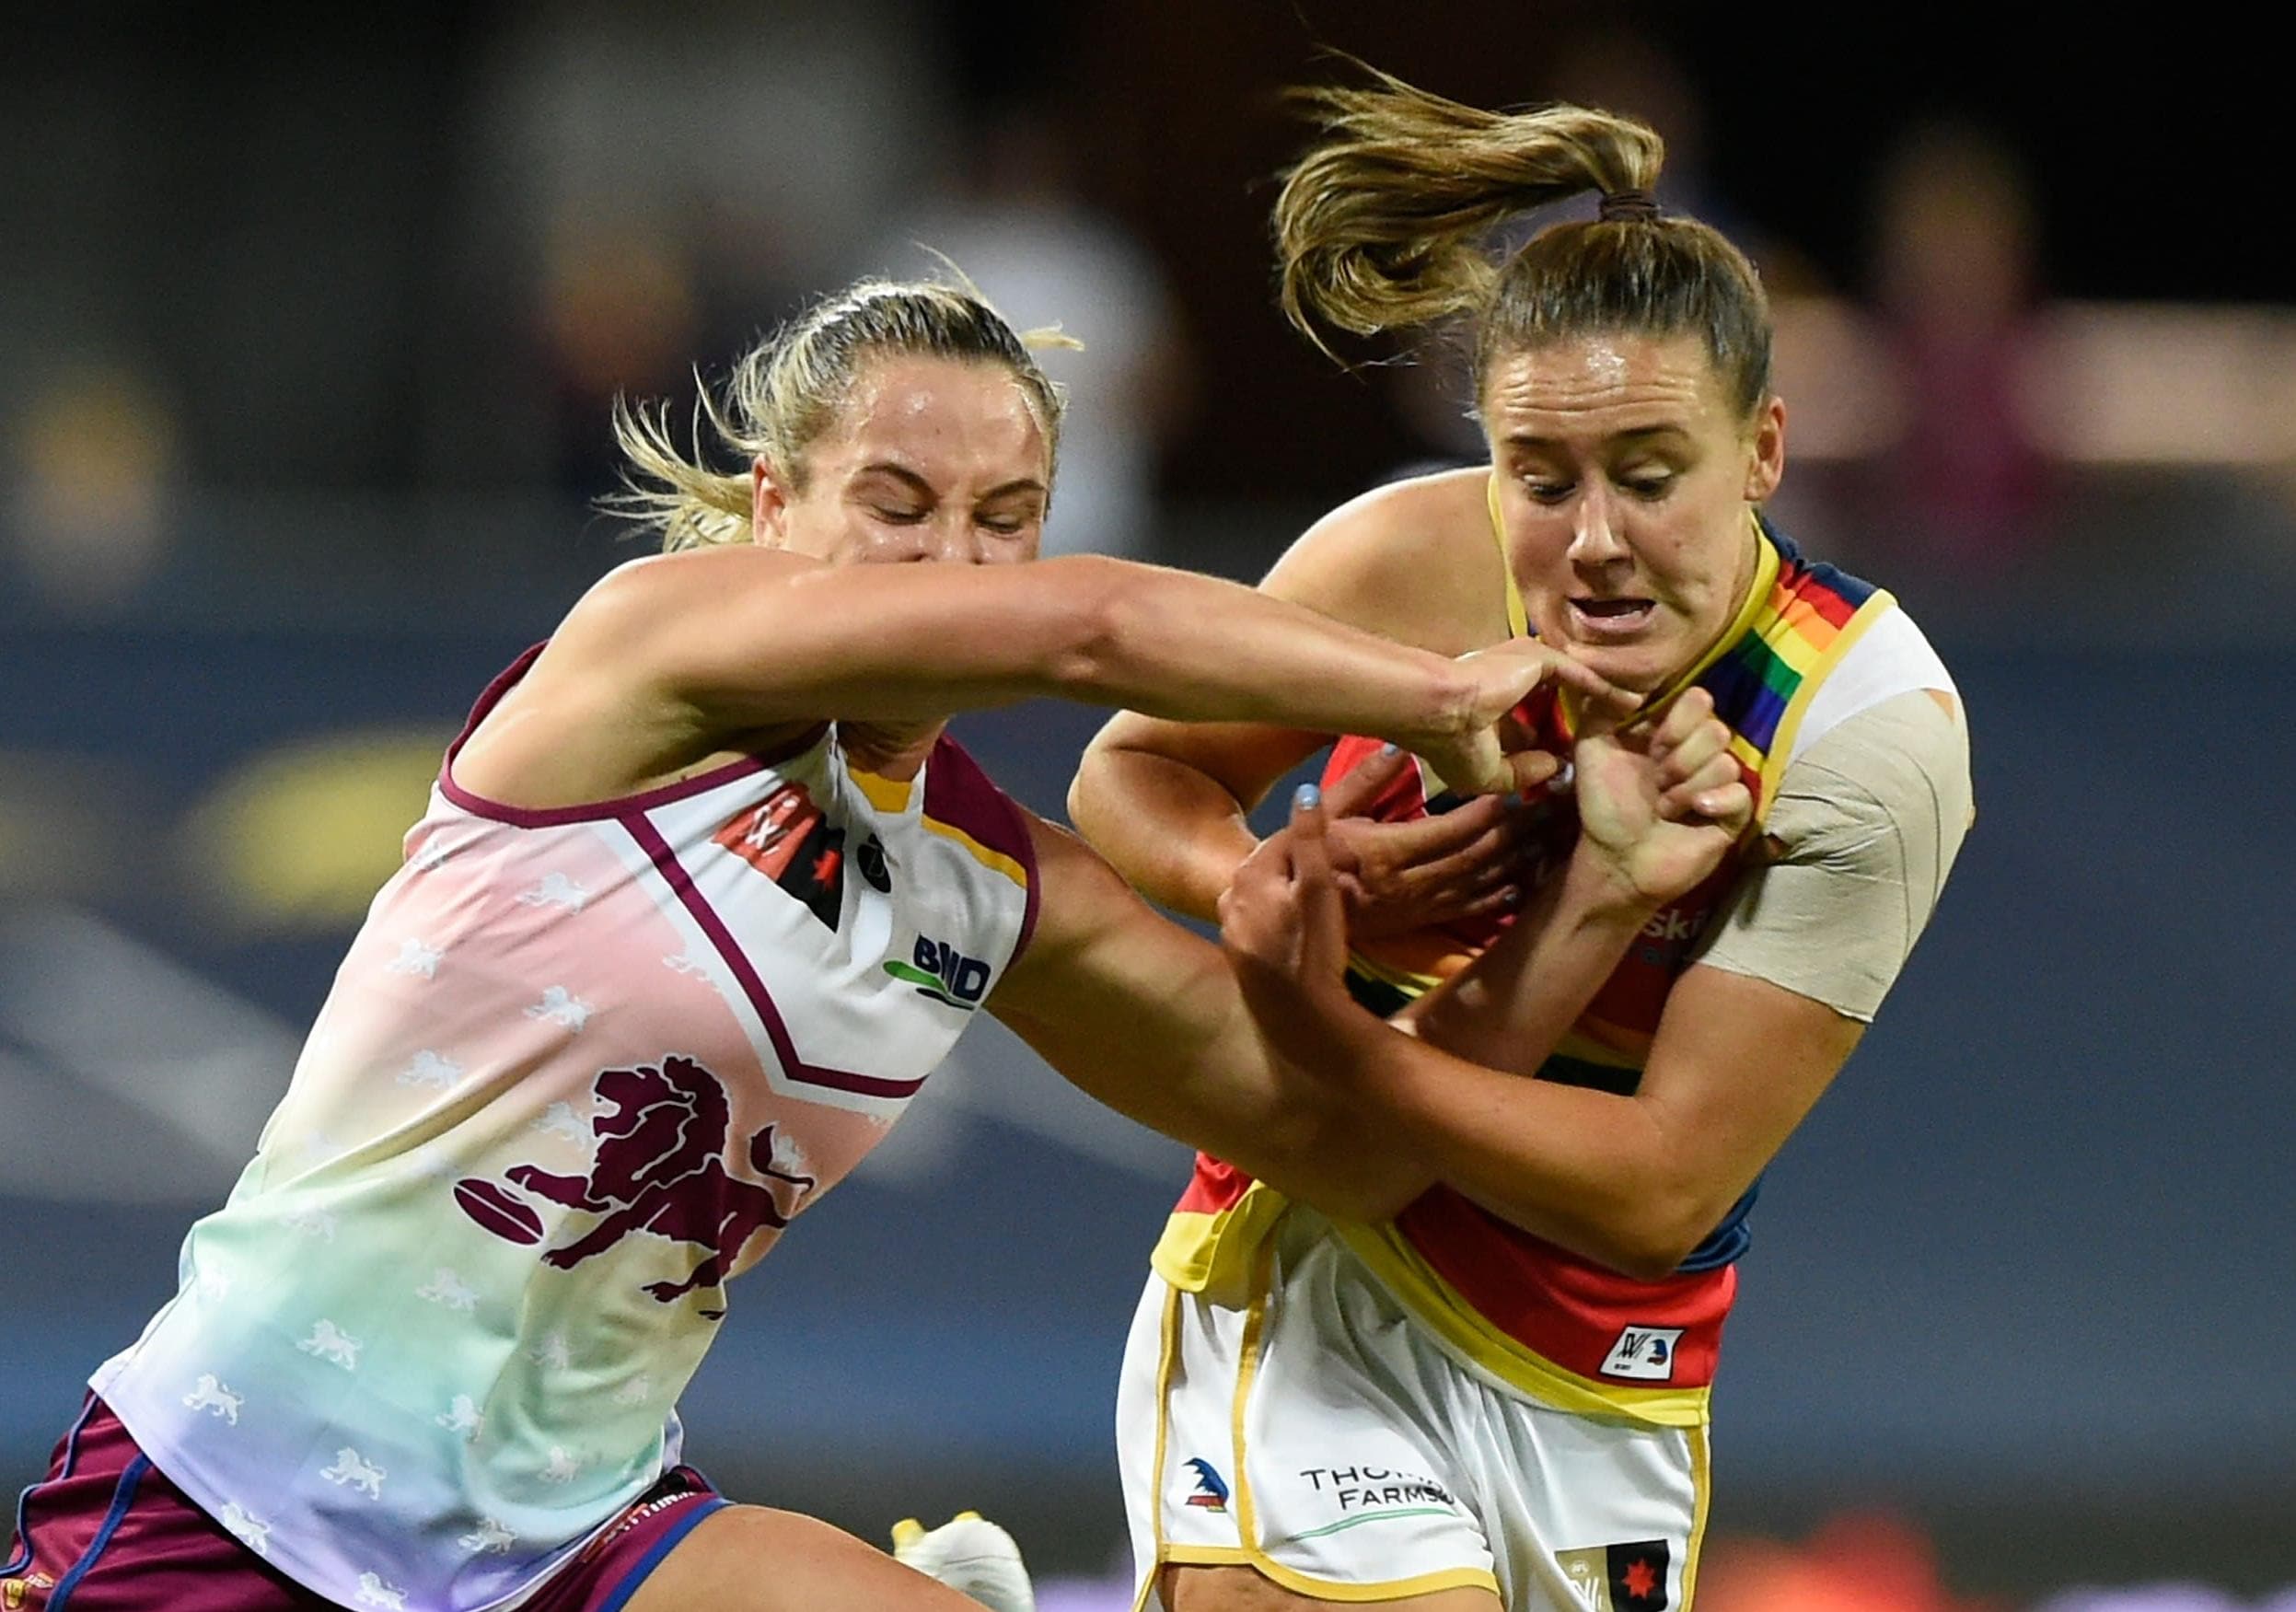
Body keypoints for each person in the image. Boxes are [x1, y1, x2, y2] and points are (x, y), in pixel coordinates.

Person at [0, 276, 1626, 1612]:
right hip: (229, 1506)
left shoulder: (992, 883)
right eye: (896, 506)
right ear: (775, 509)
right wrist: (1430, 692)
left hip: (579, 1544)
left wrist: (1577, 904)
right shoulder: (650, 659)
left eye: (1006, 519)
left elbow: (1338, 1141)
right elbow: (1089, 629)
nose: (956, 568)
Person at [1069, 63, 1975, 1612]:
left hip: (1604, 1366)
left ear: (1760, 451)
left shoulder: (1861, 730)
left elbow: (1658, 1186)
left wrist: (1327, 1049)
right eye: (1538, 479)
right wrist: (1278, 892)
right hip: (1313, 1296)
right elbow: (1131, 774)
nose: (1592, 541)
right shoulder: (1408, 556)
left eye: (1647, 475)